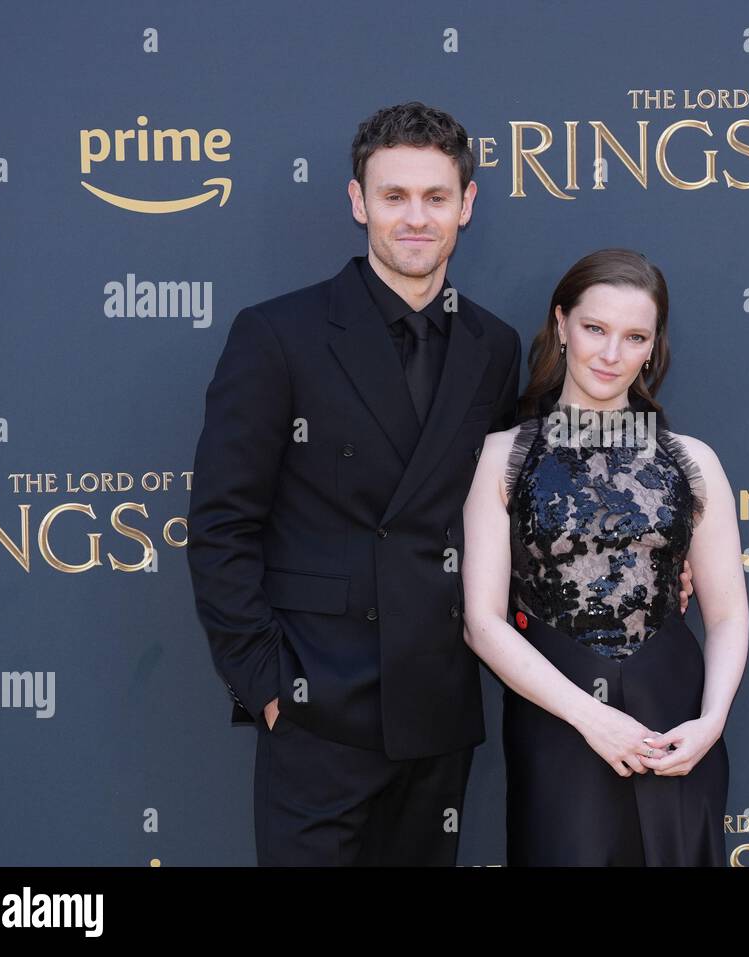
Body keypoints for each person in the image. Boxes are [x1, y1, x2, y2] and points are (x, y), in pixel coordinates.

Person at [186, 102, 525, 865]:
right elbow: (220, 523)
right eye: (394, 195)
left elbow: (499, 518)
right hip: (315, 708)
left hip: (436, 707)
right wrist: (266, 683)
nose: (415, 217)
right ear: (357, 201)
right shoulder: (279, 334)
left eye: (436, 197)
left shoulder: (492, 345)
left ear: (466, 206)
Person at [461, 248, 749, 865]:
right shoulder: (504, 456)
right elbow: (481, 622)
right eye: (595, 328)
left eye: (634, 336)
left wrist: (712, 721)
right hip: (555, 716)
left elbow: (726, 615)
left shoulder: (692, 461)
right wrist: (592, 719)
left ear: (653, 347)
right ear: (561, 324)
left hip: (676, 721)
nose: (611, 354)